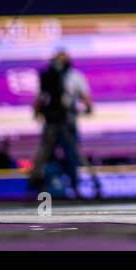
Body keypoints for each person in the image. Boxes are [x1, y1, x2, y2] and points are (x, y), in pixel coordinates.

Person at [29, 49, 93, 196]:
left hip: (67, 122)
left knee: (72, 155)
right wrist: (36, 111)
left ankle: (75, 187)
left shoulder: (75, 76)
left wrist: (88, 107)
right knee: (46, 155)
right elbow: (41, 96)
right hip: (52, 121)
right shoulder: (48, 77)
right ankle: (43, 188)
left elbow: (84, 96)